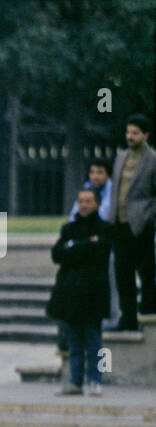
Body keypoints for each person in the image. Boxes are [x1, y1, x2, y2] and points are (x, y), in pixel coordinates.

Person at [47, 188, 112, 396]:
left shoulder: (104, 228)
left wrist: (74, 248)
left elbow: (100, 253)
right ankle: (75, 381)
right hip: (71, 293)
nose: (84, 205)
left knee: (95, 341)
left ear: (97, 204)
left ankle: (96, 380)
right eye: (81, 201)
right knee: (74, 340)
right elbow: (57, 254)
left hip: (93, 292)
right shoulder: (69, 228)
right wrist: (85, 246)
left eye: (89, 201)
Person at [111, 114, 156, 331]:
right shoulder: (121, 157)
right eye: (128, 132)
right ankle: (127, 317)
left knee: (146, 271)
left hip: (142, 224)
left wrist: (148, 215)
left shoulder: (153, 159)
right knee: (122, 272)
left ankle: (148, 313)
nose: (130, 136)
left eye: (135, 133)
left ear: (145, 135)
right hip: (119, 224)